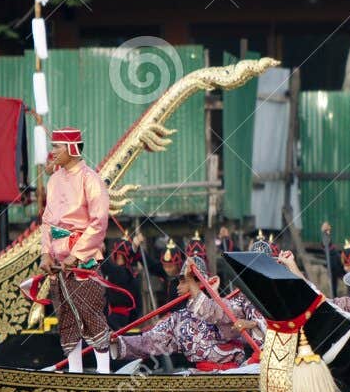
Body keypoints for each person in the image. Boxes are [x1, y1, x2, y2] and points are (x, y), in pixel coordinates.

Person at [39, 127, 112, 374]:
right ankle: (75, 373)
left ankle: (104, 373)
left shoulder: (91, 179)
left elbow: (99, 222)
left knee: (90, 313)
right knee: (67, 318)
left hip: (84, 258)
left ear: (71, 148)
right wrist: (46, 253)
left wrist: (77, 254)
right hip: (58, 260)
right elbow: (47, 220)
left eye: (57, 146)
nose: (53, 152)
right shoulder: (54, 179)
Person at [114, 251, 262, 368]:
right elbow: (149, 341)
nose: (178, 287)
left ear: (201, 282)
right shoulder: (178, 319)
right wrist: (117, 341)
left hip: (233, 373)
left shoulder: (226, 306)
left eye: (184, 281)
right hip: (200, 374)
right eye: (180, 282)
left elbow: (212, 312)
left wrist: (200, 285)